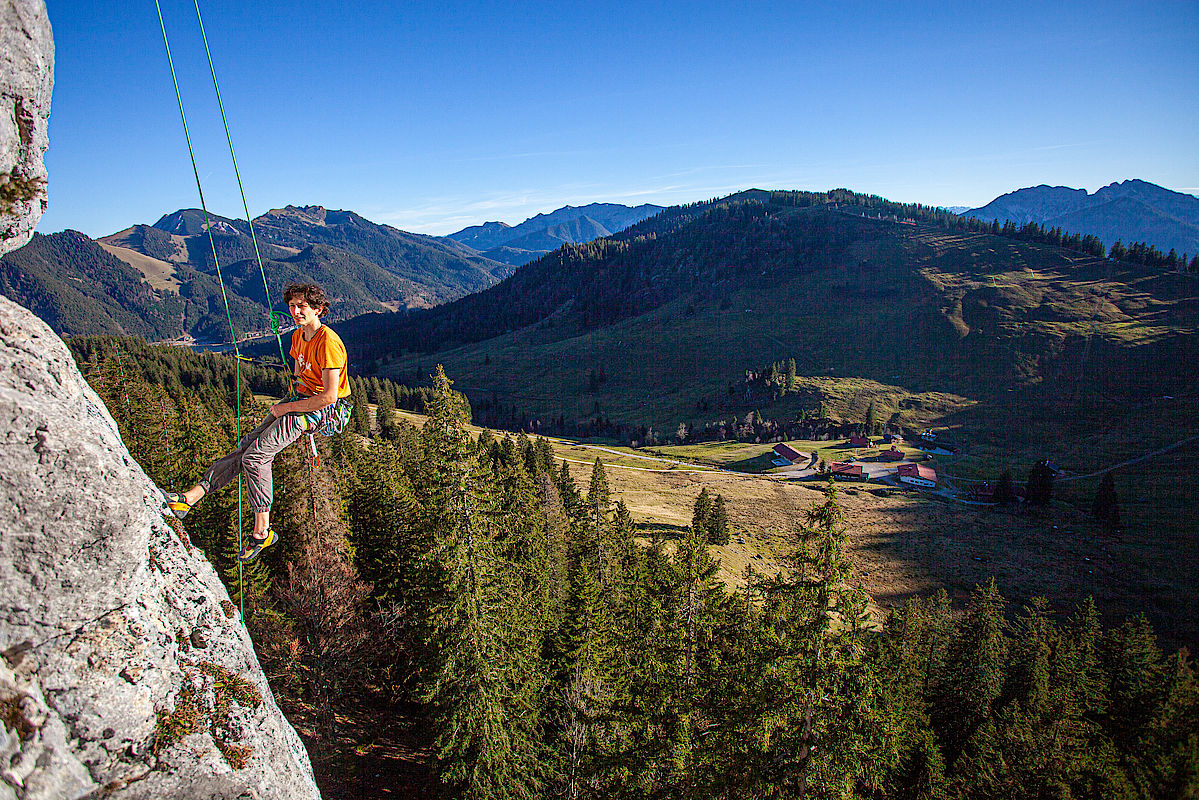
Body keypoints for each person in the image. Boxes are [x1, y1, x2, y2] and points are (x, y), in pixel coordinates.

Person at [163, 282, 351, 562]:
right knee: (247, 448)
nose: (296, 311)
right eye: (292, 306)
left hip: (321, 408)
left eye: (302, 306)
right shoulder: (299, 336)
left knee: (256, 457)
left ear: (318, 309)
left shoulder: (328, 342)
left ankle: (261, 534)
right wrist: (296, 378)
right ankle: (189, 498)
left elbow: (329, 397)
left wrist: (285, 407)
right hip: (300, 398)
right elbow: (300, 370)